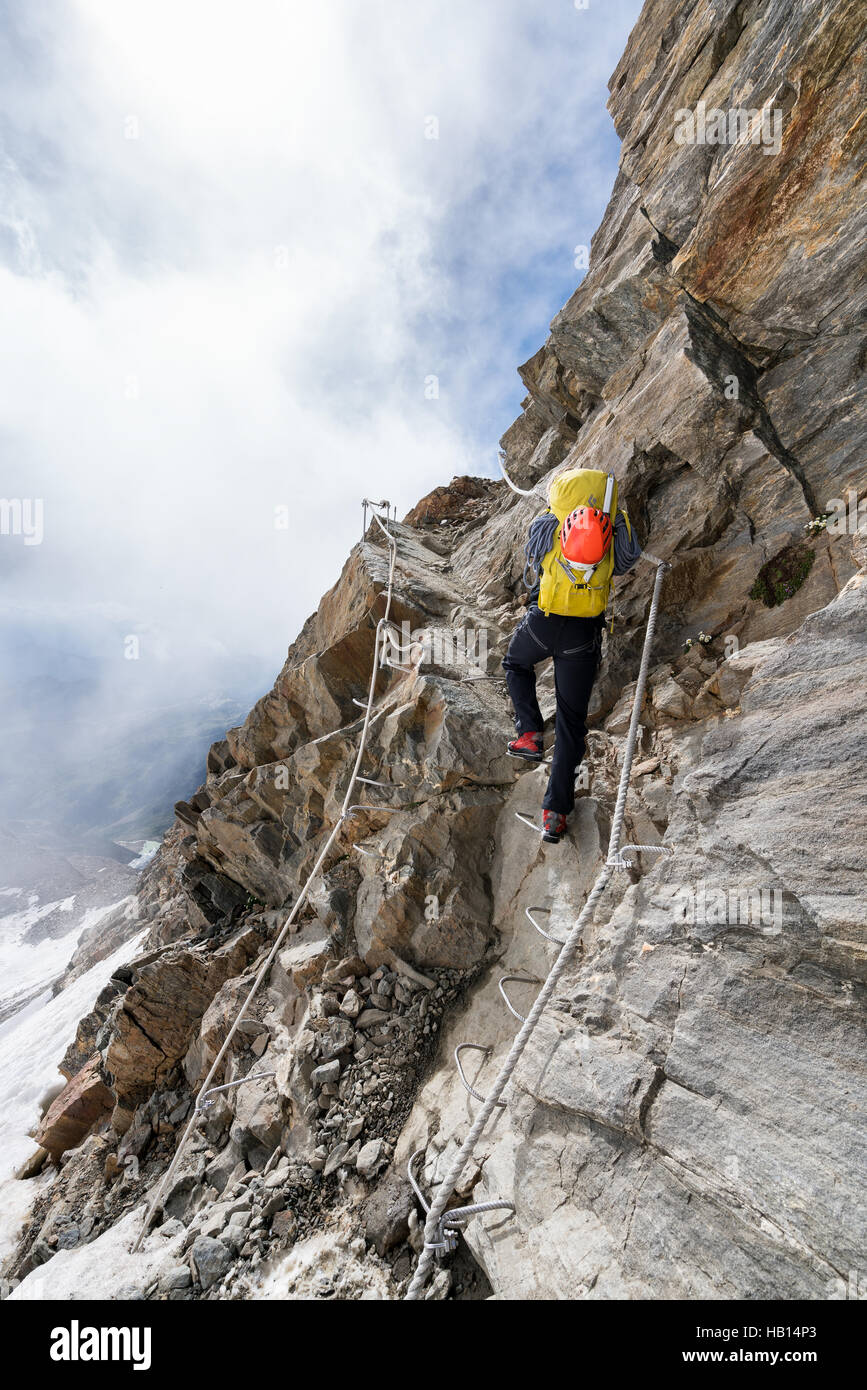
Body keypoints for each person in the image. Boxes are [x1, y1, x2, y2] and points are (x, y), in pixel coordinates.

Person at [503, 467, 642, 843]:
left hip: (543, 624)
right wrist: (615, 517)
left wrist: (558, 509)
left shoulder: (549, 529)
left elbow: (533, 551)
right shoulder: (613, 540)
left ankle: (529, 733)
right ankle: (555, 812)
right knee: (570, 723)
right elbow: (629, 559)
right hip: (583, 634)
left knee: (515, 664)